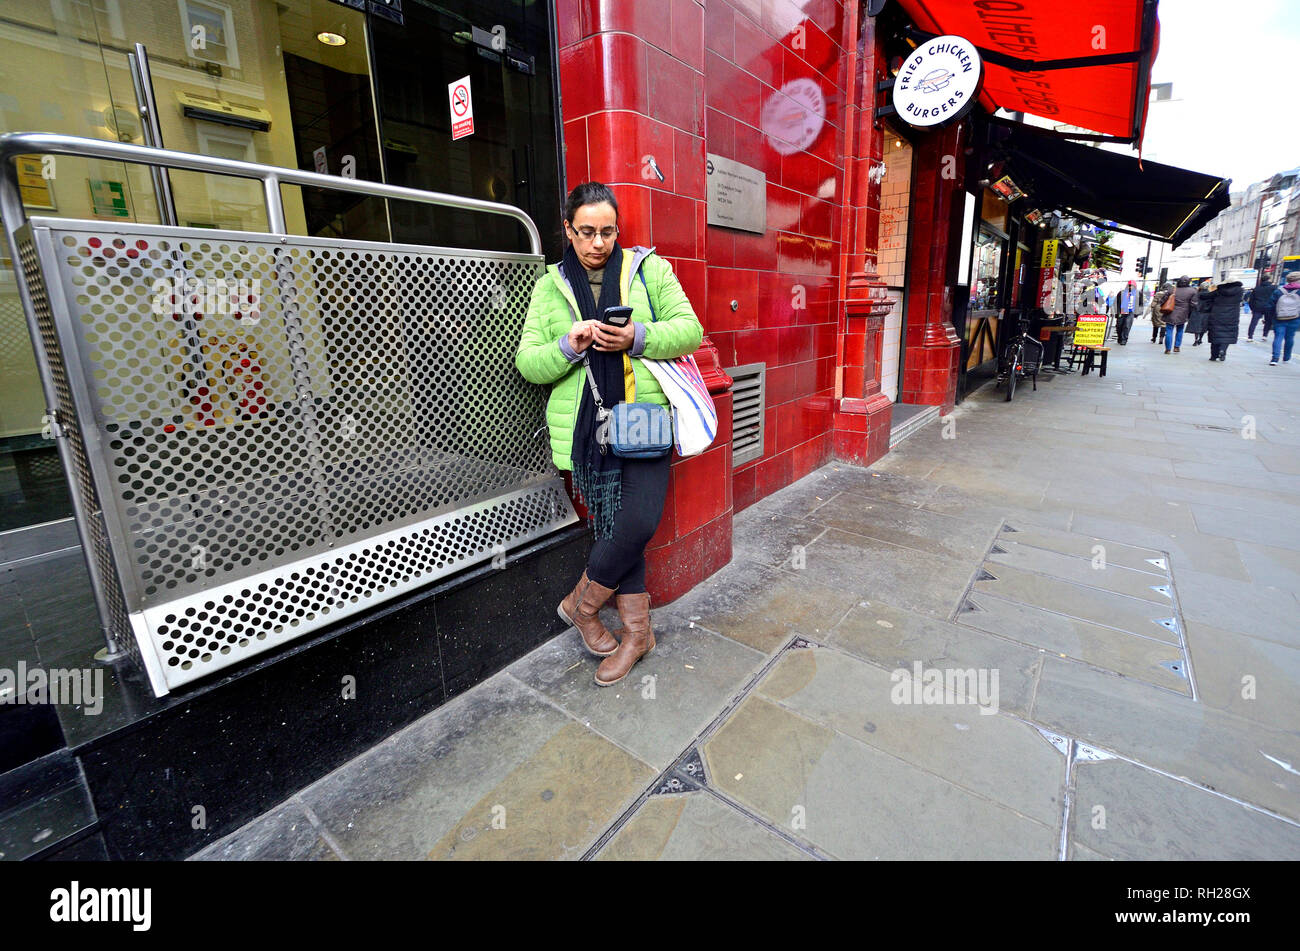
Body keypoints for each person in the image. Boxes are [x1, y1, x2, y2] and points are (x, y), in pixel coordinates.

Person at [515, 182, 703, 687]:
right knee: (618, 533)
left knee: (637, 523)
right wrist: (568, 345)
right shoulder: (548, 285)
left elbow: (690, 329)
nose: (598, 243)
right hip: (585, 432)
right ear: (568, 230)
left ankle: (581, 606)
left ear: (618, 229)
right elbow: (528, 363)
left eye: (607, 231)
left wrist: (637, 336)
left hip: (641, 420)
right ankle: (637, 635)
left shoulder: (649, 270)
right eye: (587, 232)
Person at [1206, 278, 1244, 361]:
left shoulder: (1219, 291)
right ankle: (1222, 350)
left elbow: (1206, 296)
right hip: (1232, 316)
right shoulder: (1240, 291)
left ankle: (1213, 355)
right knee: (1227, 336)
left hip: (1217, 315)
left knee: (1215, 335)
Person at [1267, 271, 1300, 365]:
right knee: (1290, 337)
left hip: (1279, 318)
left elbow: (1270, 305)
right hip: (1295, 318)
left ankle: (1274, 358)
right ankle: (1286, 357)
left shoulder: (1279, 291)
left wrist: (1272, 317)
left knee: (1278, 337)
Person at [1164, 276, 1197, 353]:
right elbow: (1193, 304)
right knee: (1180, 330)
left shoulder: (1172, 289)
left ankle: (1168, 349)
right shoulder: (1192, 291)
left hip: (1170, 311)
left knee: (1169, 330)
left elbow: (1164, 299)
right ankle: (1177, 347)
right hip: (1183, 313)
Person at [1112, 280, 1138, 344]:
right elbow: (1116, 303)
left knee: (1127, 325)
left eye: (1132, 286)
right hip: (1121, 311)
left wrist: (1137, 313)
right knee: (1119, 325)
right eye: (1129, 286)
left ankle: (1124, 339)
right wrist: (1116, 312)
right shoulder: (1121, 293)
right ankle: (1120, 337)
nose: (1130, 287)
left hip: (1130, 312)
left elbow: (1139, 303)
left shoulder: (1137, 294)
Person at [1188, 281, 1214, 346]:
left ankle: (1196, 340)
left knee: (1196, 327)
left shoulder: (1197, 294)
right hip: (1206, 312)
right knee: (1203, 327)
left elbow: (1192, 302)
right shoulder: (1210, 294)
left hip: (1197, 311)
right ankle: (1200, 339)